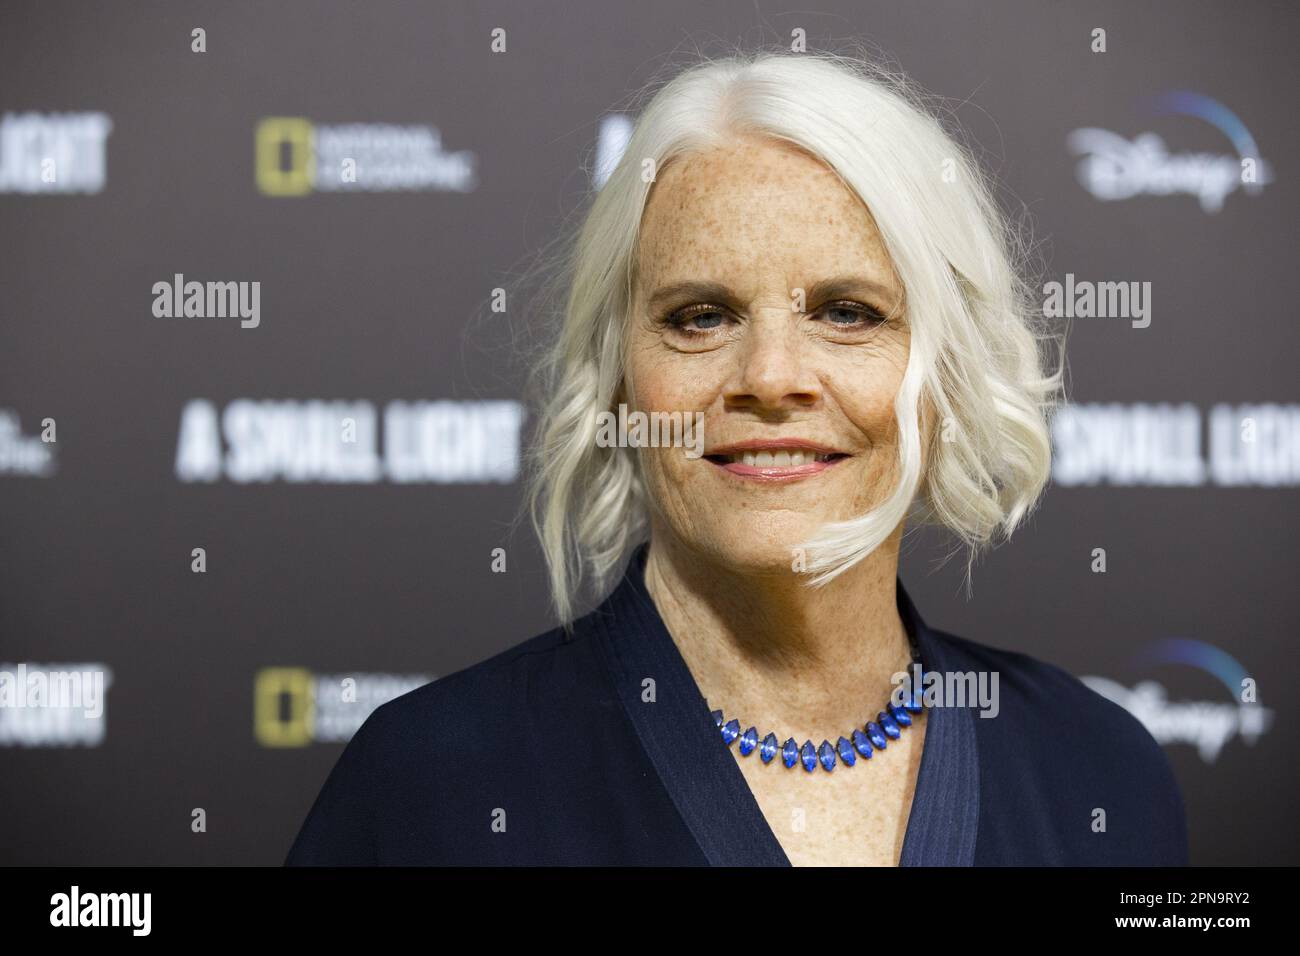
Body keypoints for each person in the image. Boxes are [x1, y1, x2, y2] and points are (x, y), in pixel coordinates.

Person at [285, 48, 1187, 866]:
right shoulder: (429, 788)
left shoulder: (1097, 770)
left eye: (846, 312)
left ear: (946, 370)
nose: (769, 378)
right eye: (699, 318)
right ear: (618, 382)